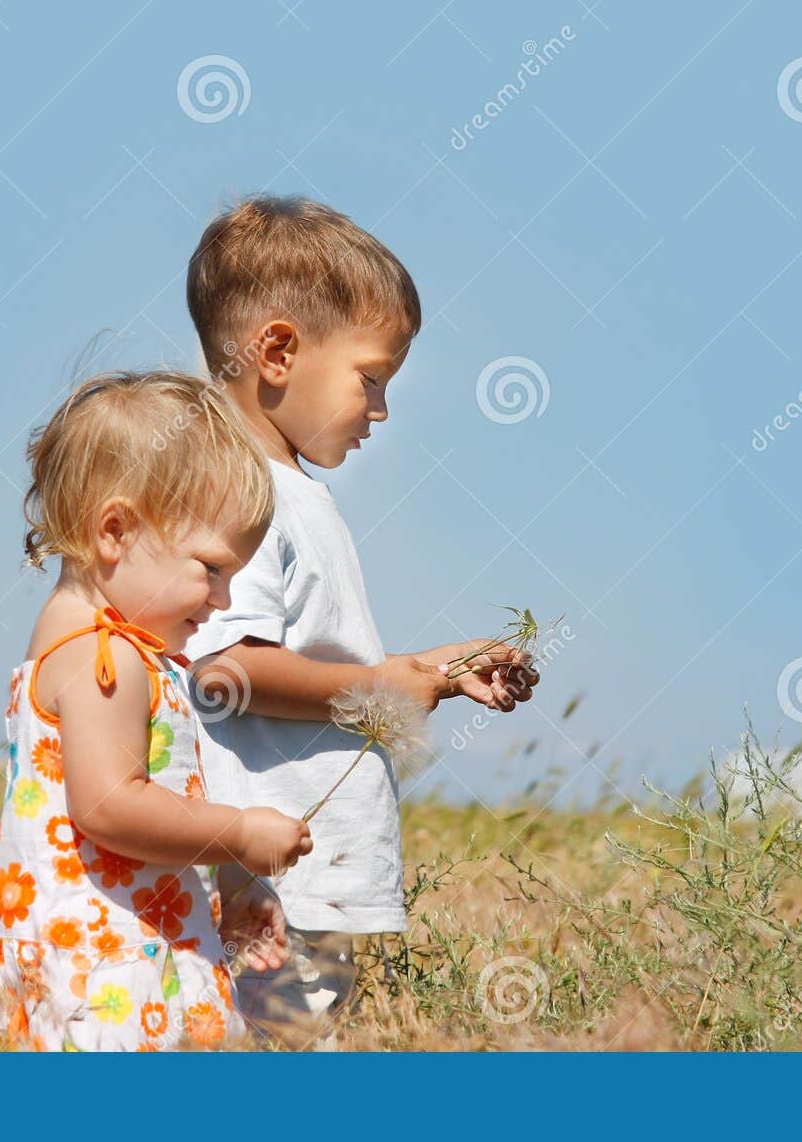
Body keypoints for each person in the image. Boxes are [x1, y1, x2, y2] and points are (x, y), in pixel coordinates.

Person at [182, 196, 539, 1046]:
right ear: (277, 351)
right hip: (269, 872)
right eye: (371, 378)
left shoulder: (283, 490)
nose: (379, 408)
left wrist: (428, 673)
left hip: (295, 864)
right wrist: (378, 687)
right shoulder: (245, 494)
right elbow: (227, 671)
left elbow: (303, 657)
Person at [0, 369, 311, 1052]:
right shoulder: (99, 656)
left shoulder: (121, 650)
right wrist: (236, 835)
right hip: (103, 972)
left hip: (124, 947)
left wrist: (231, 883)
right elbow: (112, 806)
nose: (224, 599)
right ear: (114, 530)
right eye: (211, 568)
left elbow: (164, 800)